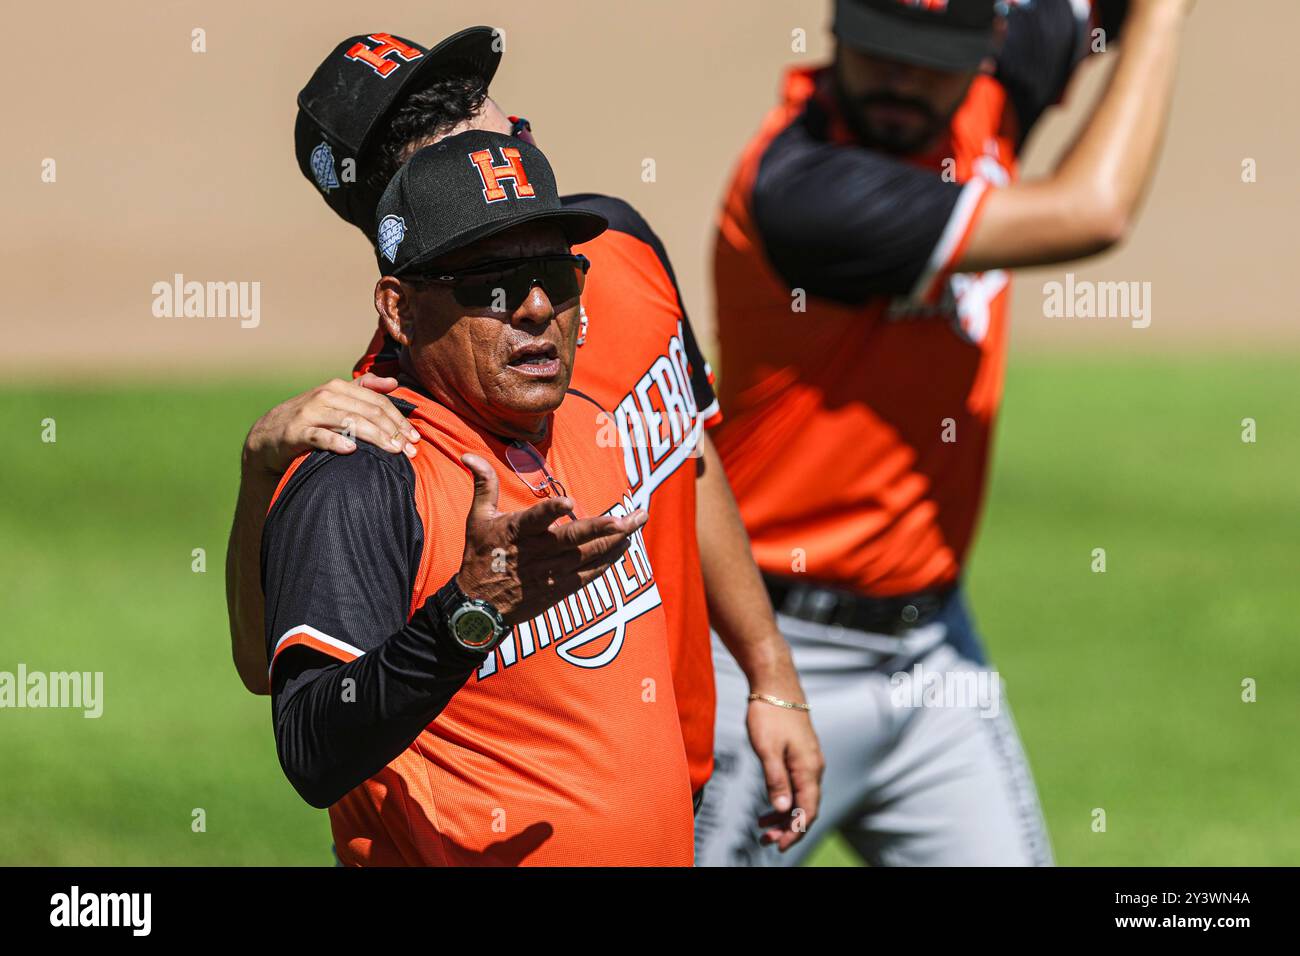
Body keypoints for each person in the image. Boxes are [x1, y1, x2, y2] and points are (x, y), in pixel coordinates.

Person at [225, 27, 821, 851]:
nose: (500, 141)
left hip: (677, 775)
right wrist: (263, 482)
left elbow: (688, 452)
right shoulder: (384, 431)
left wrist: (770, 672)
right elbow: (288, 695)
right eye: (453, 139)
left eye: (481, 107)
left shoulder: (614, 245)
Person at [695, 0, 1194, 866]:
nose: (903, 80)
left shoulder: (995, 81)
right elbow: (1095, 212)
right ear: (838, 30)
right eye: (884, 51)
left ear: (987, 47)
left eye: (933, 60)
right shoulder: (803, 185)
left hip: (935, 659)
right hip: (765, 657)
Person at [264, 130, 695, 865]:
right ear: (398, 310)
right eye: (491, 283)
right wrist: (471, 610)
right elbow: (312, 746)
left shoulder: (589, 422)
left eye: (556, 275)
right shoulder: (363, 477)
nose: (534, 307)